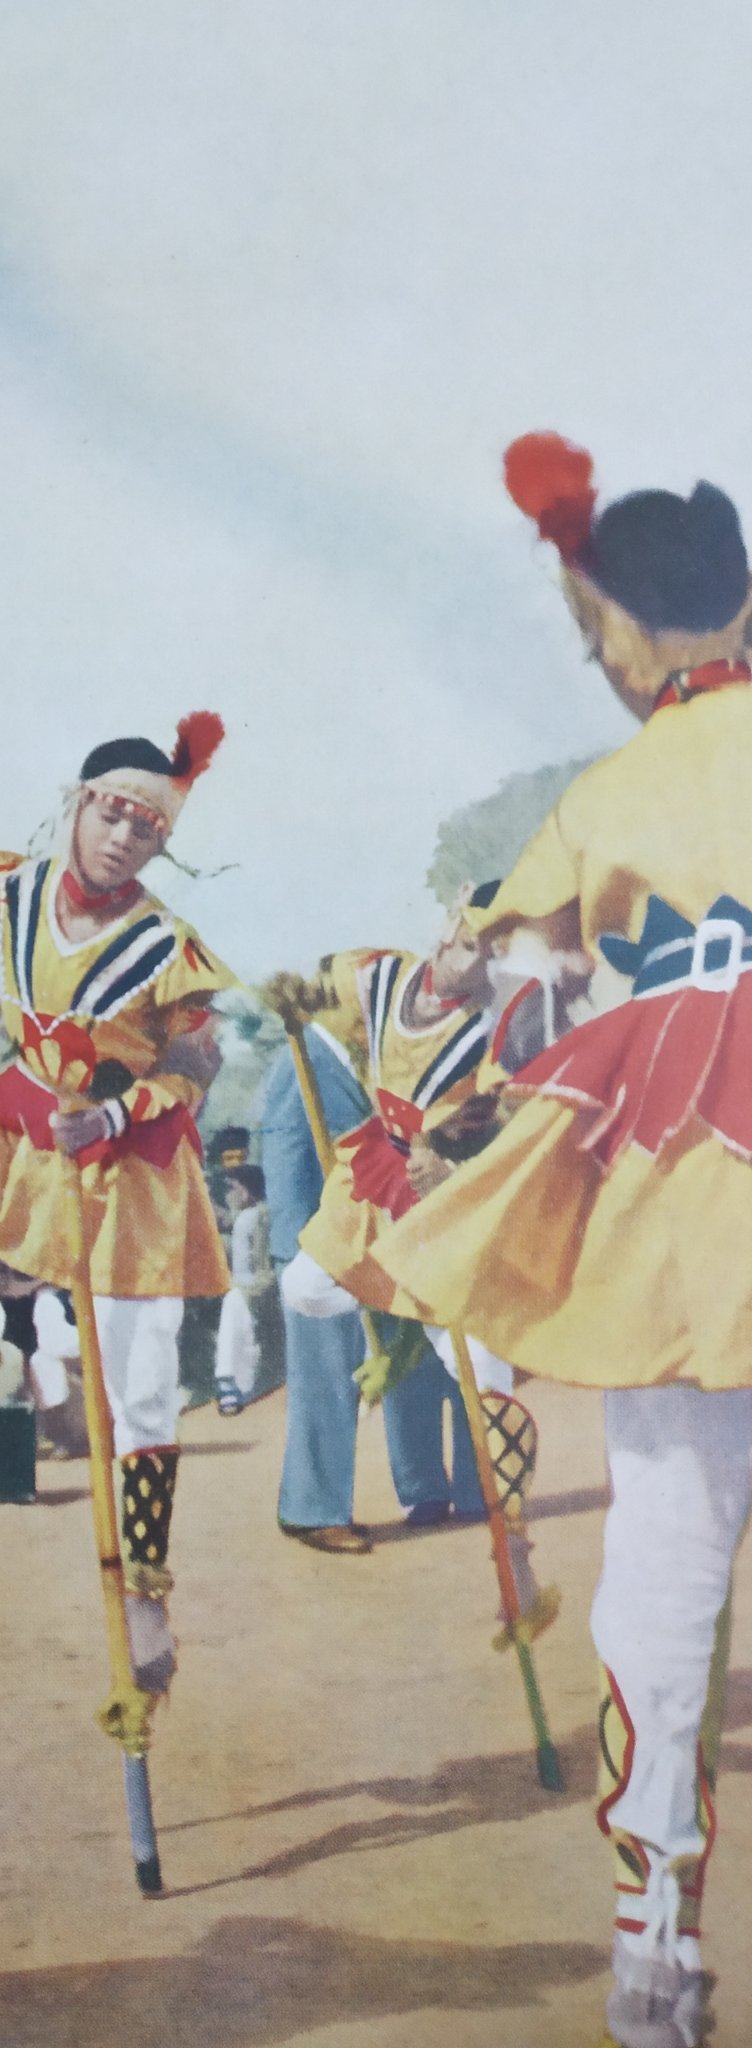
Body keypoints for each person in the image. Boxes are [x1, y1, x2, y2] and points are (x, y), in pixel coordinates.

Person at [376, 433, 752, 2048]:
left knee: (669, 1551)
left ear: (621, 629)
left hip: (687, 1183)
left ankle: (654, 1931)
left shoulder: (608, 792)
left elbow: (493, 976)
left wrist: (455, 991)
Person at [0, 712, 232, 1695]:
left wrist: (116, 1114)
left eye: (145, 829)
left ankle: (145, 1588)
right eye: (111, 813)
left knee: (142, 1387)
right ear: (75, 805)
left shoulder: (167, 944)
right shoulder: (15, 883)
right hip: (23, 1108)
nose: (122, 836)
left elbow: (197, 1070)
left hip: (131, 1156)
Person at [255, 1014, 485, 1554]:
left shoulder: (375, 1059)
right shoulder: (305, 1054)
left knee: (414, 1358)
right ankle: (313, 1510)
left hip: (383, 1237)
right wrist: (295, 1247)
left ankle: (425, 1489)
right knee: (326, 1382)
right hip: (324, 1247)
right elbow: (285, 1150)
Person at [214, 1163, 270, 1415]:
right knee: (245, 1338)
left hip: (251, 1288)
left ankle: (230, 1384)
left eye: (235, 1188)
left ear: (246, 1191)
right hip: (251, 1287)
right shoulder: (255, 1214)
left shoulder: (250, 1218)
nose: (231, 1194)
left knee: (238, 1331)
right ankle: (238, 1385)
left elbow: (254, 1262)